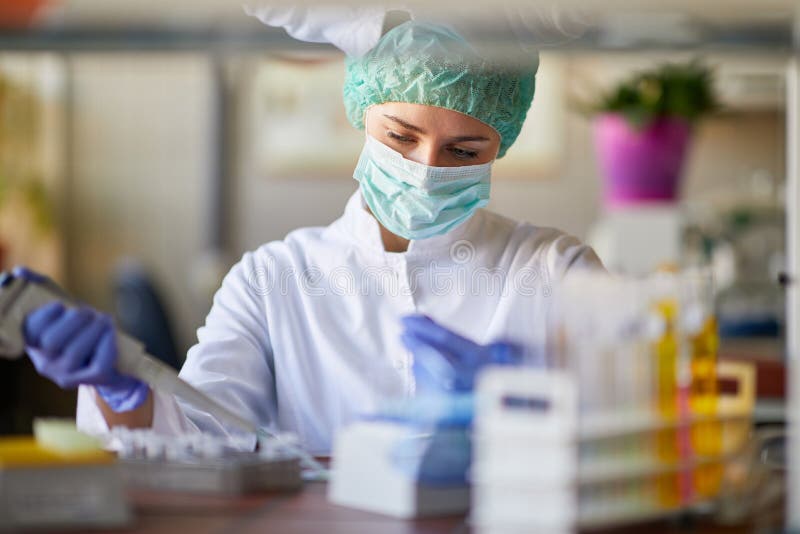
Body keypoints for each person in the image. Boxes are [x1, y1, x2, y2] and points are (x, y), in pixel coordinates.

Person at [19, 20, 602, 454]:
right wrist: (124, 390)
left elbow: (635, 439)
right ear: (362, 113)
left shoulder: (557, 272)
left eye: (464, 151)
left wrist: (522, 409)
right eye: (400, 136)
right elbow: (199, 441)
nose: (426, 168)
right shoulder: (272, 279)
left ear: (500, 145)